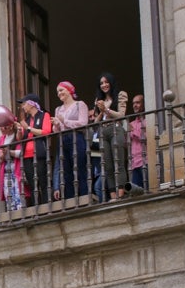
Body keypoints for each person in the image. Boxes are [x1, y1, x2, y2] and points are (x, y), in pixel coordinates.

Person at [93, 72, 129, 200]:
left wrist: (106, 110)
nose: (104, 85)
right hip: (103, 132)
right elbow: (95, 122)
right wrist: (101, 110)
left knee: (118, 162)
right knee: (108, 166)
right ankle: (113, 196)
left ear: (111, 82)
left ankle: (121, 194)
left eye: (106, 82)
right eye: (101, 83)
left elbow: (121, 115)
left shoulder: (120, 95)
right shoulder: (98, 100)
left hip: (116, 128)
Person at [52, 81, 90, 199]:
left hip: (76, 138)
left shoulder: (80, 104)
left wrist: (64, 121)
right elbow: (56, 130)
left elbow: (83, 123)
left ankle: (84, 196)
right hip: (62, 139)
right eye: (58, 92)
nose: (59, 93)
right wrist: (56, 125)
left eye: (61, 90)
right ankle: (70, 199)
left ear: (69, 90)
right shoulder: (58, 109)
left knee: (79, 168)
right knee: (66, 172)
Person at [17, 93, 51, 207]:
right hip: (26, 155)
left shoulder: (44, 115)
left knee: (43, 181)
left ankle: (46, 206)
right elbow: (20, 138)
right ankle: (36, 207)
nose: (23, 107)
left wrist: (28, 128)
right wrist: (19, 130)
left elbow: (46, 132)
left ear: (31, 104)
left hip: (39, 153)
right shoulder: (26, 120)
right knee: (32, 184)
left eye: (24, 104)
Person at [0, 121, 24, 211]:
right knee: (8, 194)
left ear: (11, 126)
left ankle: (21, 213)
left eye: (4, 126)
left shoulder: (18, 136)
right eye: (0, 126)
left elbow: (21, 153)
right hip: (6, 172)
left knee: (19, 193)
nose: (1, 129)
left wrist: (8, 151)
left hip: (17, 169)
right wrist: (2, 156)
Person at [128, 94, 148, 191]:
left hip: (145, 162)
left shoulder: (148, 121)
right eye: (133, 103)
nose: (135, 105)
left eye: (137, 103)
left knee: (148, 190)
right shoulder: (131, 123)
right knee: (136, 193)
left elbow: (147, 139)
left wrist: (133, 131)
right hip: (134, 164)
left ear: (143, 104)